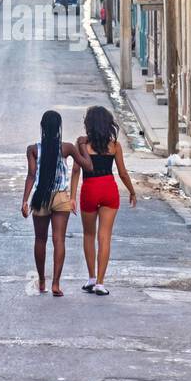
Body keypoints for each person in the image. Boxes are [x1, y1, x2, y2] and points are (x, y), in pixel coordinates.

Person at [21, 111, 94, 296]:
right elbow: (88, 166)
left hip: (40, 198)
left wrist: (24, 201)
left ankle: (42, 281)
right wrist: (83, 146)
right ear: (59, 127)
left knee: (40, 240)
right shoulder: (67, 148)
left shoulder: (33, 149)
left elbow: (31, 176)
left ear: (42, 127)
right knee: (59, 240)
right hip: (61, 197)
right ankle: (56, 284)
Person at [69, 105, 137, 295]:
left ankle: (91, 278)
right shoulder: (114, 145)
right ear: (108, 124)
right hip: (109, 188)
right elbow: (122, 173)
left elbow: (75, 171)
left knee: (89, 236)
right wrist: (132, 191)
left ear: (88, 124)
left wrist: (72, 197)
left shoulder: (83, 145)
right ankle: (100, 282)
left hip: (89, 189)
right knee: (104, 236)